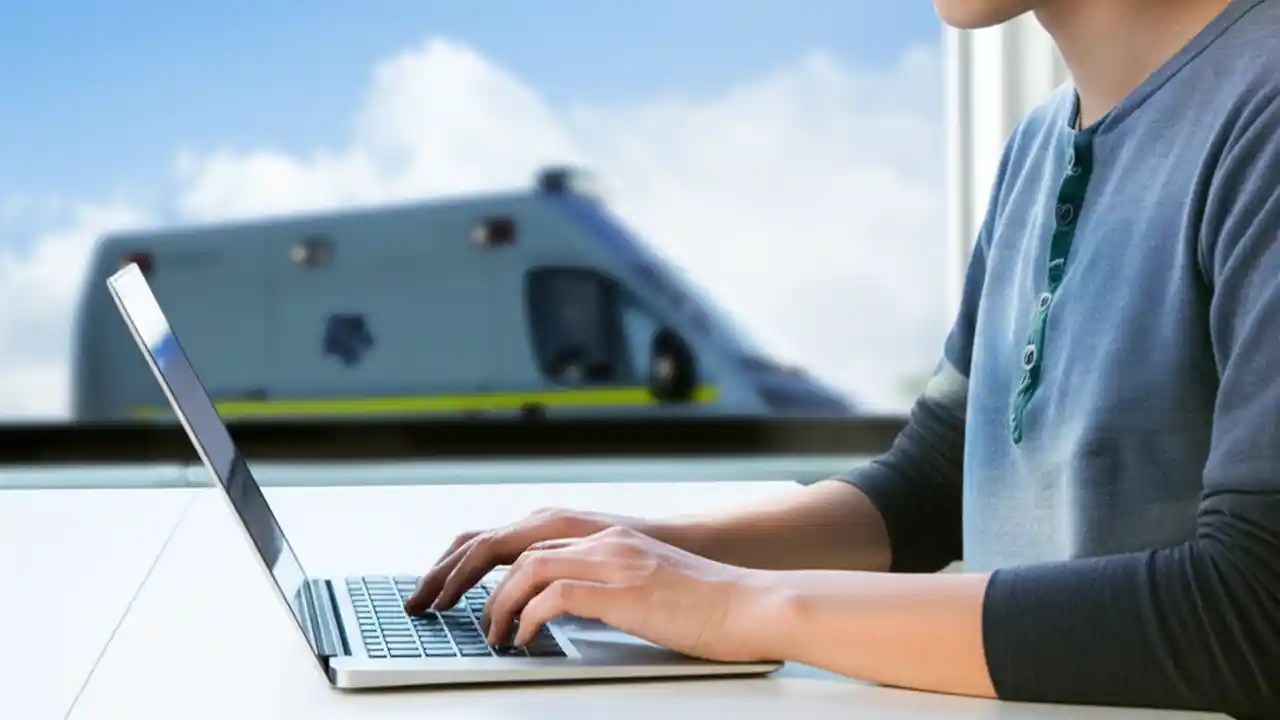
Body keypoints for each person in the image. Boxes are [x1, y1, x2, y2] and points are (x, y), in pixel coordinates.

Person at [406, 1, 1280, 715]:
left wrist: (736, 605)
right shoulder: (1040, 142)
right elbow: (934, 483)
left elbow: (1252, 613)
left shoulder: (1265, 114)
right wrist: (654, 554)